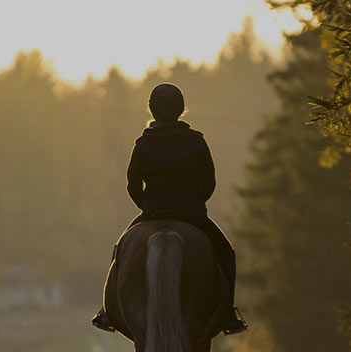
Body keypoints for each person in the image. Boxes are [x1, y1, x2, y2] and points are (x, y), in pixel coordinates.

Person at [92, 83, 248, 335]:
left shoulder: (142, 144)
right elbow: (209, 181)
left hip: (153, 212)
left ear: (152, 110)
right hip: (192, 213)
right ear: (181, 109)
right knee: (226, 253)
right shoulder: (197, 141)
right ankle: (229, 314)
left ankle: (107, 312)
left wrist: (148, 206)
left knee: (120, 251)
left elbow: (133, 185)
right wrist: (194, 204)